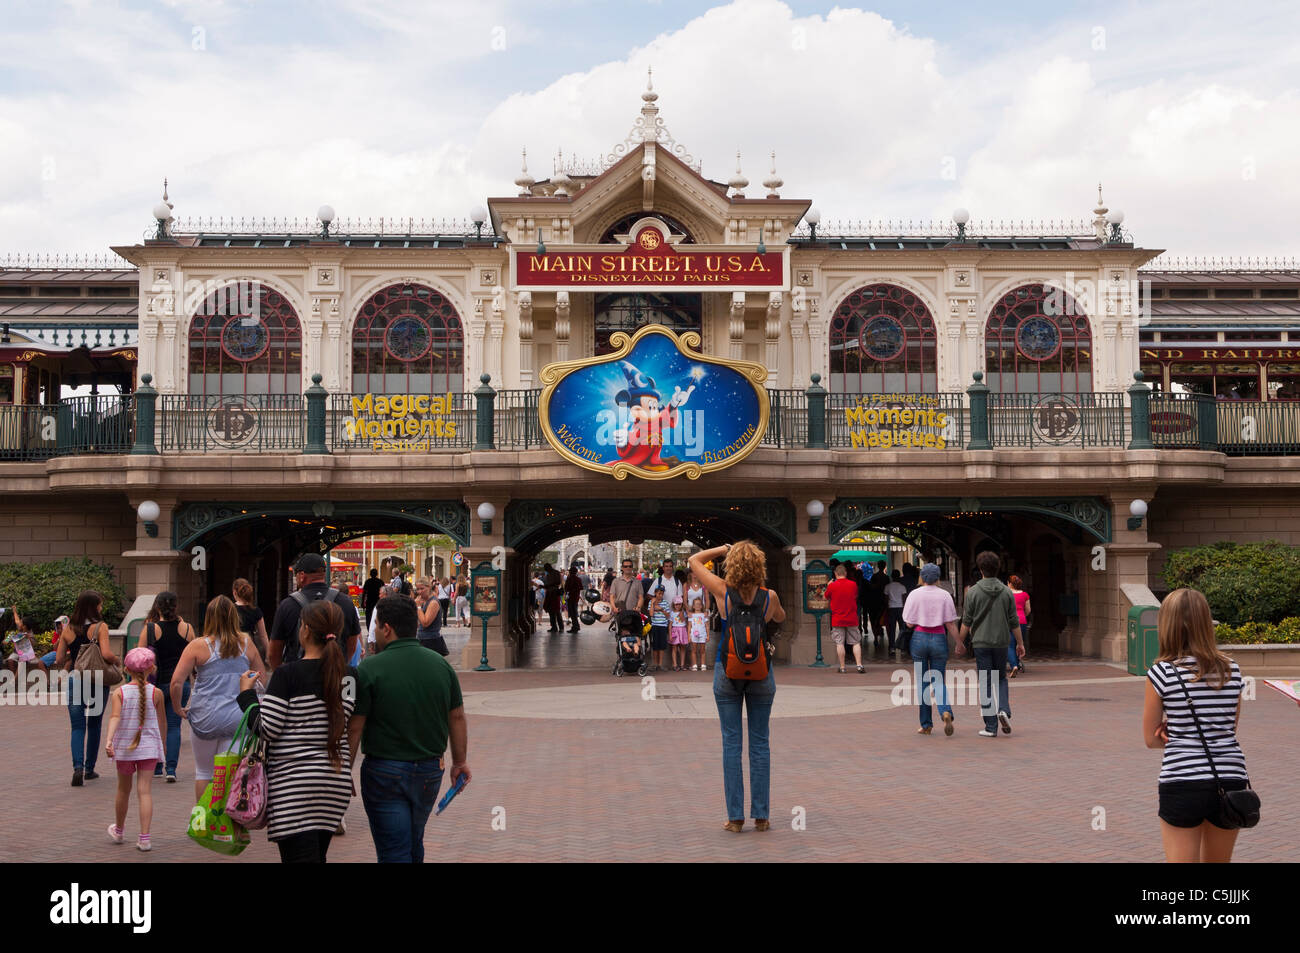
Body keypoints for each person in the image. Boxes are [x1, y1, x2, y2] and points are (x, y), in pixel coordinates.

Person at [349, 596, 470, 863]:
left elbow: (355, 727)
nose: (376, 630)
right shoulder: (440, 665)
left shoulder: (369, 667)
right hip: (429, 770)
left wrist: (343, 770)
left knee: (394, 849)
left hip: (385, 771)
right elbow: (457, 716)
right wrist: (459, 761)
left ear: (387, 629)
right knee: (413, 841)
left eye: (377, 624)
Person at [237, 599, 356, 863]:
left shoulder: (287, 674)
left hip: (294, 786)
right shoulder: (349, 676)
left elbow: (267, 729)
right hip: (334, 782)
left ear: (304, 630)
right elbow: (347, 721)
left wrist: (247, 696)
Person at [1144, 588, 1252, 862]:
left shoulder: (1162, 672)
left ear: (1166, 624)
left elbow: (1151, 738)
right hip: (1230, 777)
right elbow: (1229, 728)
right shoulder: (1231, 669)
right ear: (1206, 621)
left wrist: (1174, 731)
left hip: (1182, 780)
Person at [689, 541, 786, 833]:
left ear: (732, 566)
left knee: (731, 743)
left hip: (727, 672)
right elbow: (780, 618)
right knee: (760, 743)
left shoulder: (722, 591)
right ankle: (762, 816)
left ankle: (735, 818)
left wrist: (721, 549)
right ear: (760, 567)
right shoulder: (770, 597)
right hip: (761, 672)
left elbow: (694, 560)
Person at [171, 595, 266, 802]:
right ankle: (226, 821)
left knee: (204, 772)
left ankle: (204, 819)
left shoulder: (197, 646)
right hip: (237, 718)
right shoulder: (246, 644)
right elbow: (261, 677)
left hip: (205, 715)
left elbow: (177, 682)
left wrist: (178, 708)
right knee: (231, 773)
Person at [956, 552, 1025, 738]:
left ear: (980, 569)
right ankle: (1004, 709)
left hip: (981, 642)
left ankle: (990, 725)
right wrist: (1020, 643)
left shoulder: (973, 592)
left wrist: (960, 642)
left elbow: (966, 621)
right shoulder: (1006, 592)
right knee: (1001, 678)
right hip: (1002, 641)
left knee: (986, 682)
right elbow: (1014, 621)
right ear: (998, 568)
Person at [104, 647, 166, 851]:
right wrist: (161, 746)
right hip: (148, 748)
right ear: (151, 668)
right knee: (145, 792)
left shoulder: (119, 693)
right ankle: (145, 838)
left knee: (123, 790)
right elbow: (162, 723)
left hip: (124, 749)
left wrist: (109, 740)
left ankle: (119, 831)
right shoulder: (156, 693)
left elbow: (115, 717)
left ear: (126, 669)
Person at [56, 590, 119, 787]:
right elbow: (107, 654)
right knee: (94, 724)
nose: (101, 607)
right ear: (93, 606)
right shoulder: (100, 627)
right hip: (97, 680)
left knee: (77, 726)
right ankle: (90, 769)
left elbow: (58, 659)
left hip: (76, 679)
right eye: (99, 604)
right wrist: (117, 660)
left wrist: (74, 657)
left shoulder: (68, 629)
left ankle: (78, 768)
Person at [135, 591, 196, 782]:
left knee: (155, 725)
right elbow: (194, 657)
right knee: (174, 726)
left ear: (157, 607)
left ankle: (157, 766)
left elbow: (139, 657)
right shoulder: (187, 629)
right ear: (176, 607)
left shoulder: (151, 629)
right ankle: (171, 769)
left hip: (157, 683)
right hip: (181, 684)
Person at [268, 553, 360, 671]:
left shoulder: (288, 605)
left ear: (302, 575)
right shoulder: (346, 602)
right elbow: (352, 644)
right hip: (335, 676)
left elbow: (274, 651)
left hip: (297, 677)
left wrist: (283, 676)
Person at [902, 563, 960, 735]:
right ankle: (945, 711)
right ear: (938, 578)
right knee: (938, 680)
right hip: (939, 638)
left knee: (923, 683)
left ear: (922, 577)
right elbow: (950, 623)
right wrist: (959, 642)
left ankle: (926, 724)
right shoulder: (945, 595)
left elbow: (909, 623)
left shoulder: (914, 594)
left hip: (919, 638)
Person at [825, 561, 864, 673]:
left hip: (837, 619)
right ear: (845, 573)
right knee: (856, 642)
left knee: (840, 643)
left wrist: (828, 586)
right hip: (852, 617)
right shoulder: (853, 584)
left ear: (835, 574)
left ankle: (842, 667)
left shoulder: (832, 586)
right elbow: (855, 596)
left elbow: (826, 596)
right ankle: (859, 665)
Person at [230, 579, 269, 664]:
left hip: (232, 648)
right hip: (249, 646)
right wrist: (268, 654)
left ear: (234, 592)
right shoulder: (256, 610)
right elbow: (263, 636)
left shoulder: (229, 609)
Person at [415, 579, 448, 656]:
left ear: (429, 587)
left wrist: (418, 607)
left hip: (431, 641)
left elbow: (425, 622)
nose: (419, 592)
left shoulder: (433, 602)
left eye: (422, 588)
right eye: (417, 589)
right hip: (423, 639)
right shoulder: (424, 601)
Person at [1007, 575, 1031, 677]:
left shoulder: (1007, 594)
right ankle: (1017, 663)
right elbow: (1028, 610)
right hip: (1022, 621)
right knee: (1019, 644)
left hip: (1009, 621)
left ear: (1010, 584)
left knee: (1009, 645)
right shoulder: (1025, 595)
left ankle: (1014, 666)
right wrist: (1022, 616)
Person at [884, 570, 908, 653]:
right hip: (901, 608)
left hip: (891, 609)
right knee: (902, 628)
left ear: (892, 576)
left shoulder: (887, 586)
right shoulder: (902, 587)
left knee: (892, 629)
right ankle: (903, 648)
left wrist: (887, 608)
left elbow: (886, 599)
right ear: (899, 576)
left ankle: (892, 648)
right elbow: (904, 599)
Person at [688, 596, 710, 671]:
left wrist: (708, 635)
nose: (698, 606)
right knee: (694, 650)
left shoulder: (704, 615)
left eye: (699, 604)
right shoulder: (691, 615)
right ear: (693, 606)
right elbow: (689, 626)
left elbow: (707, 626)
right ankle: (694, 664)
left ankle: (703, 664)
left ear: (701, 606)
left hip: (702, 634)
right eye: (696, 604)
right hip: (693, 635)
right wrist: (689, 636)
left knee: (702, 650)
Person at [668, 596, 689, 670]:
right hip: (675, 631)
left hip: (682, 630)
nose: (678, 606)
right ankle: (675, 665)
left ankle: (682, 665)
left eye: (679, 604)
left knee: (683, 648)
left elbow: (685, 622)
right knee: (674, 648)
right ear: (673, 605)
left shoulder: (683, 613)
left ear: (682, 605)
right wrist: (670, 634)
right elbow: (670, 625)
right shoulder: (672, 613)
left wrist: (682, 613)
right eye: (676, 604)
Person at [542, 564, 563, 632]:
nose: (546, 570)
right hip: (549, 593)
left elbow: (558, 582)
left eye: (546, 568)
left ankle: (561, 627)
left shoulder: (556, 573)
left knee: (556, 610)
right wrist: (544, 586)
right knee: (551, 611)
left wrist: (549, 585)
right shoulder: (548, 575)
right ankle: (554, 627)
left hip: (555, 593)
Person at [564, 564, 583, 633]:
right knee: (574, 612)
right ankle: (576, 626)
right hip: (576, 597)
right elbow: (581, 587)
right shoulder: (578, 579)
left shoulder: (569, 578)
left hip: (571, 597)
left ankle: (575, 627)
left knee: (572, 613)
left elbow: (566, 588)